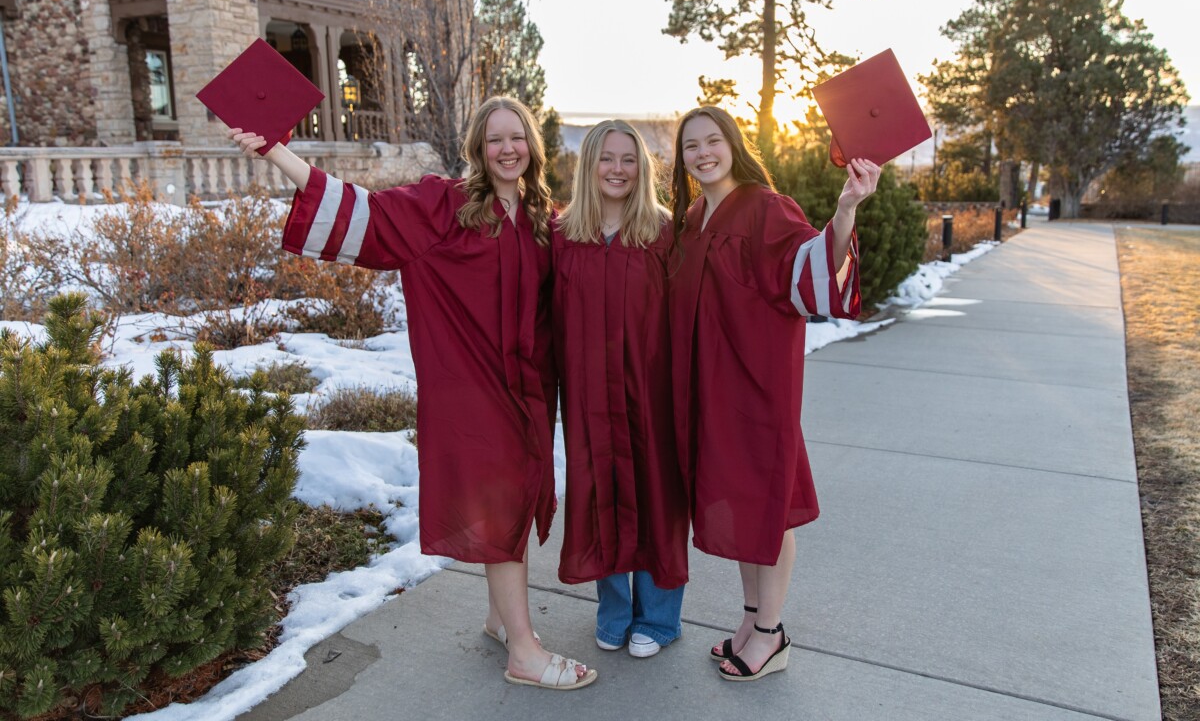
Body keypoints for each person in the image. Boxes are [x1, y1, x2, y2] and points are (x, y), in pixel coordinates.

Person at [228, 95, 596, 690]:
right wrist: (278, 153)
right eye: (495, 138)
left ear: (533, 145)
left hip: (527, 390)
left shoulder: (539, 215)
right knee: (501, 503)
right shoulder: (445, 204)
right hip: (471, 387)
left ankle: (504, 618)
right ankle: (524, 654)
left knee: (519, 495)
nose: (507, 149)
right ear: (478, 147)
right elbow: (363, 213)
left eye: (517, 137)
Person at [667, 106, 879, 681]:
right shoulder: (692, 217)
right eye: (691, 146)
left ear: (734, 145)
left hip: (756, 386)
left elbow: (809, 272)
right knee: (740, 502)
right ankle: (750, 620)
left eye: (712, 141)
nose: (702, 153)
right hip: (710, 387)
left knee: (768, 508)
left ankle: (771, 633)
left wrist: (845, 208)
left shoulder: (765, 208)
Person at [551, 120, 689, 659]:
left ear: (643, 168)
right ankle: (612, 611)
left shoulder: (662, 231)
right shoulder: (563, 236)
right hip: (587, 397)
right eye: (606, 158)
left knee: (656, 495)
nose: (617, 169)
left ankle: (658, 617)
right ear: (588, 165)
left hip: (649, 393)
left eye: (628, 159)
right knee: (597, 495)